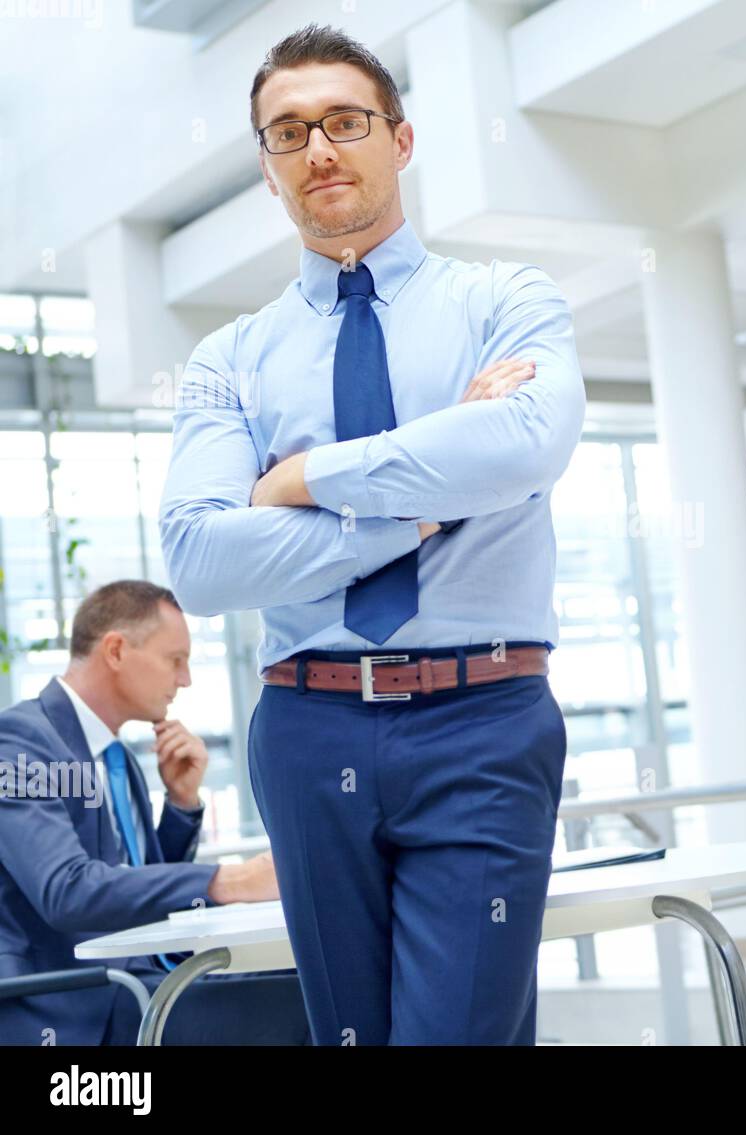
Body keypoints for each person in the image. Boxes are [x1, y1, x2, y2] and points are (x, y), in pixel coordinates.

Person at [158, 23, 584, 1045]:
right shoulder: (231, 357)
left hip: (481, 718)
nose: (319, 149)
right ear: (267, 169)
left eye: (344, 121)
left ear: (398, 138)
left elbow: (528, 440)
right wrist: (429, 496)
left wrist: (301, 480)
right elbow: (202, 562)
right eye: (288, 132)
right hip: (309, 731)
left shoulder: (503, 301)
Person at [0, 580, 310, 1045]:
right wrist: (227, 880)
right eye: (175, 660)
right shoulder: (20, 743)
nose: (184, 679)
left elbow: (136, 886)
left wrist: (181, 805)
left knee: (318, 984)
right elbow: (66, 890)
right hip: (76, 1002)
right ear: (117, 650)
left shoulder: (118, 758)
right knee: (307, 1008)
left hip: (141, 983)